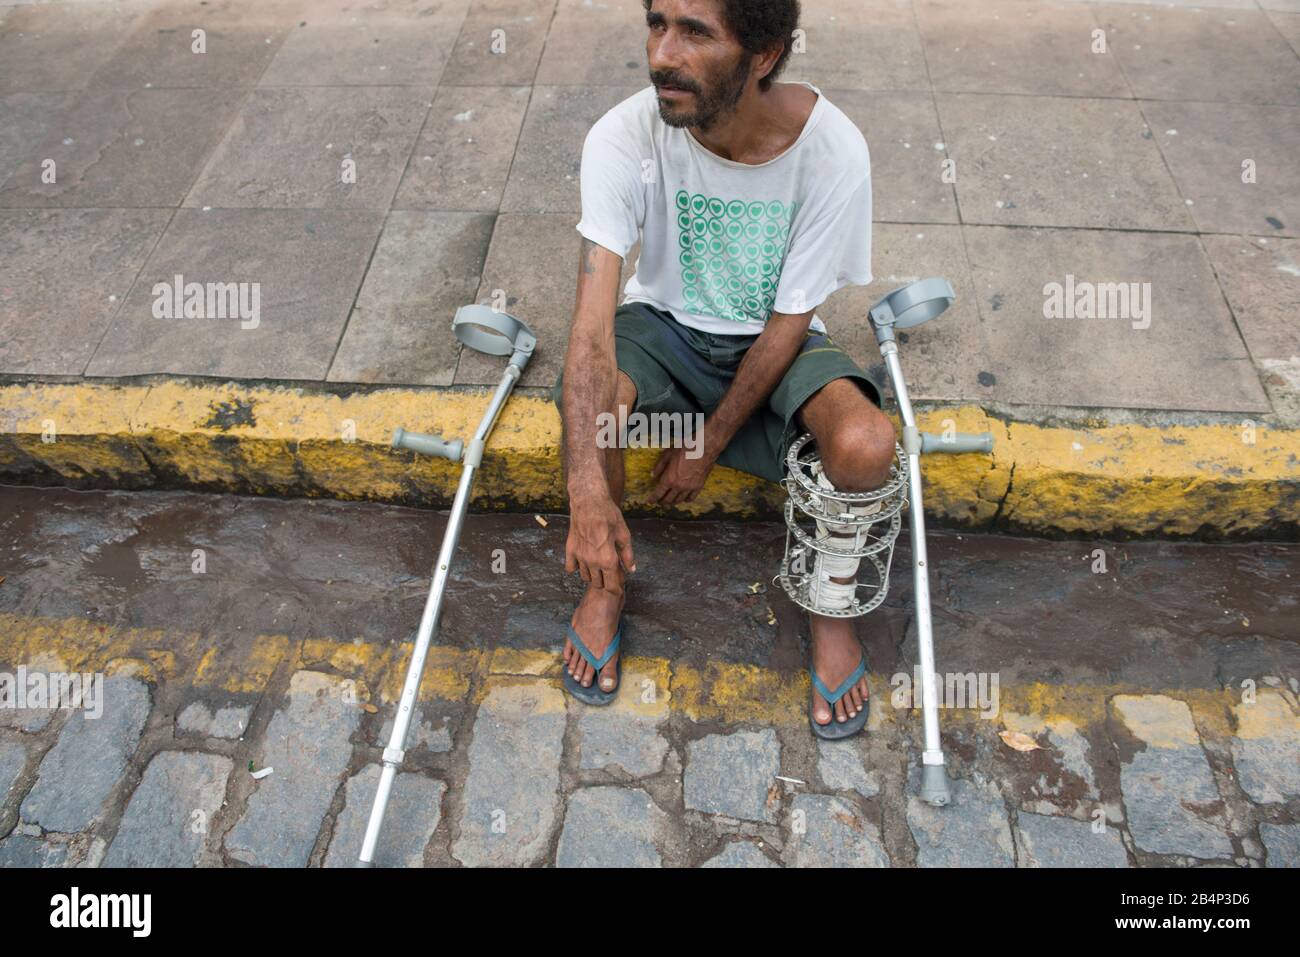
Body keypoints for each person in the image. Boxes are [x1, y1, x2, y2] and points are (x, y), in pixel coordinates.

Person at [550, 0, 896, 738]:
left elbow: (787, 324)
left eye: (695, 32)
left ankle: (830, 609)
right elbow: (590, 327)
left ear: (764, 55)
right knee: (592, 396)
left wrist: (706, 445)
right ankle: (605, 587)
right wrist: (585, 492)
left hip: (774, 346)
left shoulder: (832, 150)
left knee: (866, 443)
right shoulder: (623, 134)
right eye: (655, 23)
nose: (661, 55)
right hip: (665, 332)